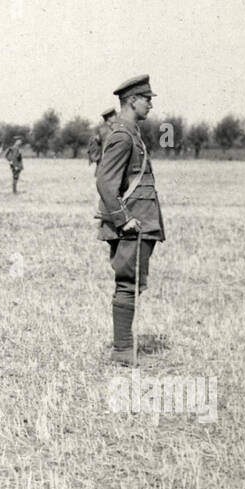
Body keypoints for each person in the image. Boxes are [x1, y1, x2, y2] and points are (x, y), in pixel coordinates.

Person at [95, 75, 164, 365]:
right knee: (127, 282)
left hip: (142, 221)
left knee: (132, 282)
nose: (150, 104)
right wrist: (124, 220)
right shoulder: (123, 136)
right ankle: (122, 351)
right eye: (146, 99)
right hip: (132, 223)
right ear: (131, 100)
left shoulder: (131, 133)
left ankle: (124, 348)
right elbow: (105, 182)